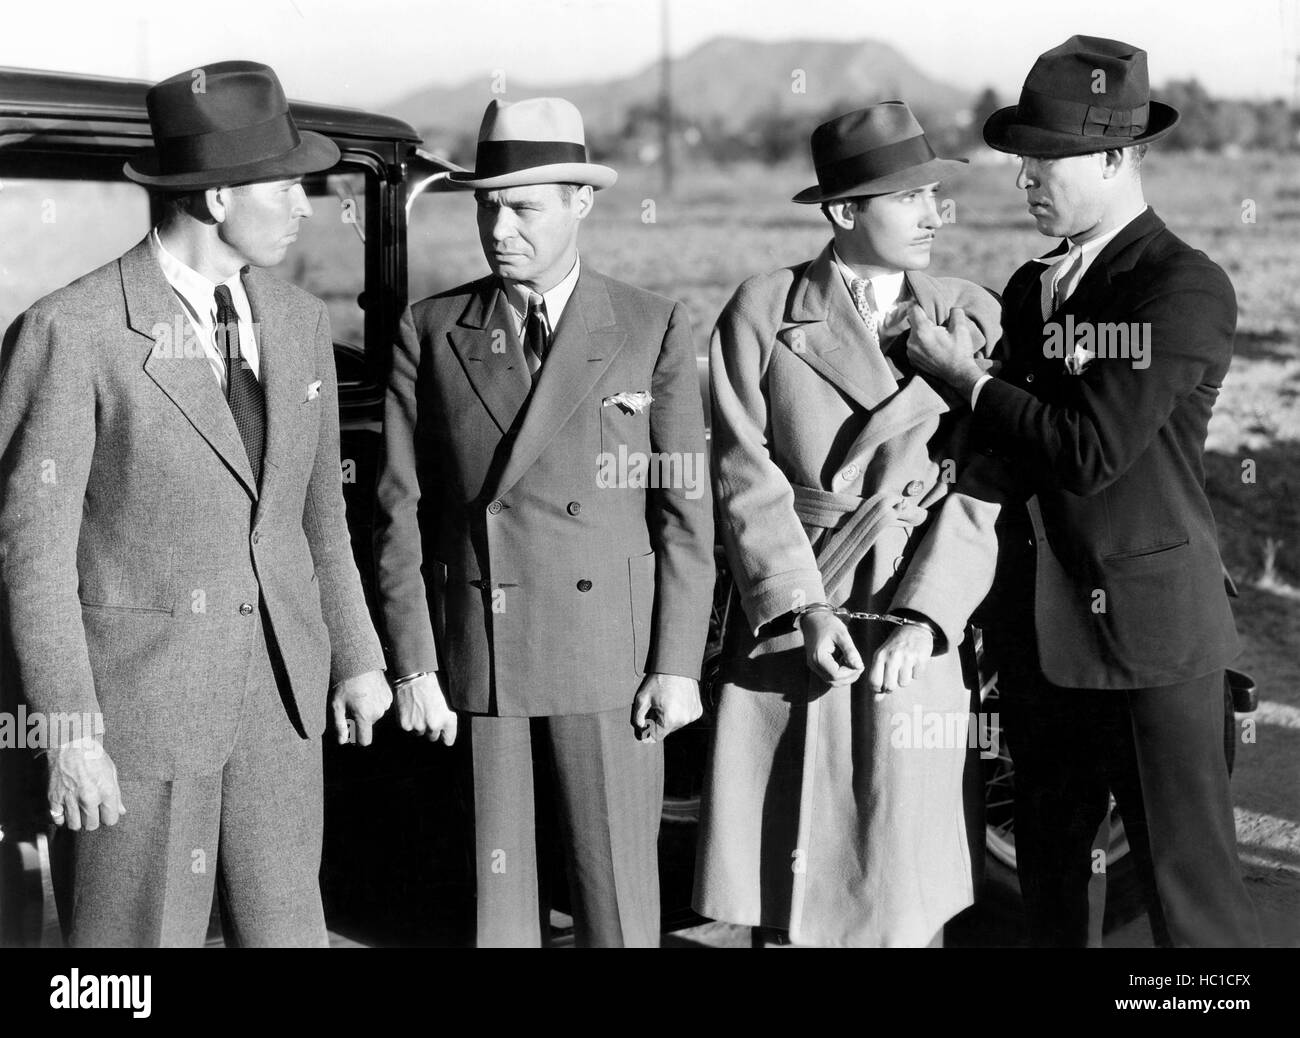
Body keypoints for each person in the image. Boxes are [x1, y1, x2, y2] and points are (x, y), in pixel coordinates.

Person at [0, 61, 391, 947]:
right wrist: (69, 735)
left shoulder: (297, 324)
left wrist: (358, 657)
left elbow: (314, 518)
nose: (306, 206)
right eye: (290, 187)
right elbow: (34, 561)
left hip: (281, 712)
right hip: (135, 725)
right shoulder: (72, 331)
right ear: (218, 198)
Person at [904, 35, 1262, 947]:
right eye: (1023, 160)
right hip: (1039, 637)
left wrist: (968, 381)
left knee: (1192, 906)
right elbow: (1007, 453)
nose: (1025, 178)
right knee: (1047, 893)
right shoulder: (1030, 288)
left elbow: (1087, 448)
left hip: (1155, 644)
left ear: (1113, 157)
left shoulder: (1181, 287)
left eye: (1046, 159)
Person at [372, 97, 714, 948]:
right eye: (487, 203)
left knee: (619, 907)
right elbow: (398, 513)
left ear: (580, 202)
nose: (498, 227)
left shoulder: (649, 325)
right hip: (481, 662)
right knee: (499, 913)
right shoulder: (434, 327)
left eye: (523, 205)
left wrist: (676, 665)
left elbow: (684, 516)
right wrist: (415, 668)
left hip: (612, 659)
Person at [693, 101, 1003, 946]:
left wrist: (929, 614)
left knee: (902, 882)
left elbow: (986, 482)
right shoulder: (761, 311)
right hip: (798, 608)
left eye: (937, 194)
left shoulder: (972, 317)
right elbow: (740, 472)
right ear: (842, 212)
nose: (936, 214)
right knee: (792, 869)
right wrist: (801, 604)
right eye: (909, 197)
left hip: (915, 612)